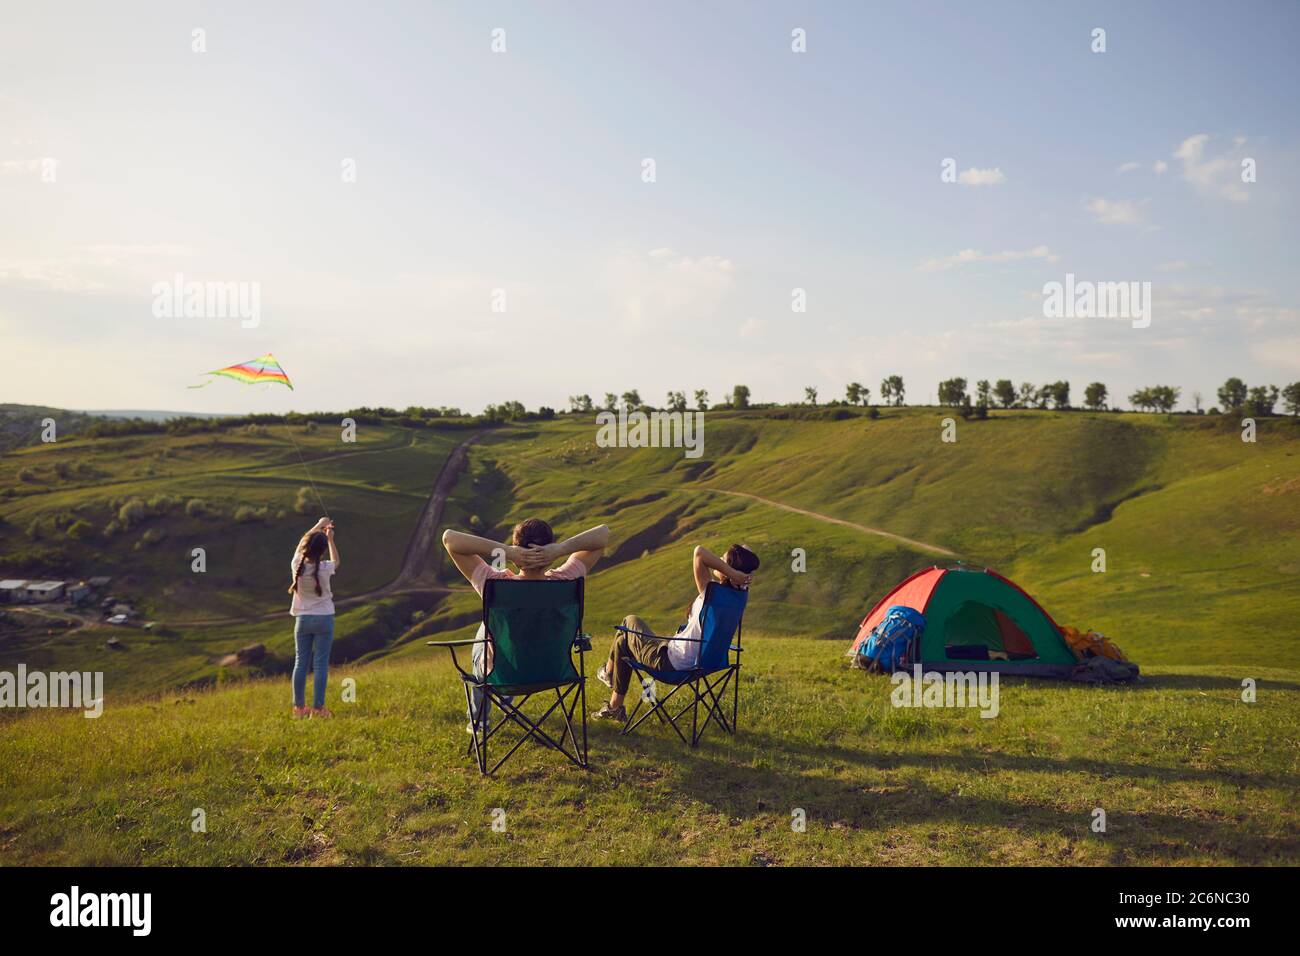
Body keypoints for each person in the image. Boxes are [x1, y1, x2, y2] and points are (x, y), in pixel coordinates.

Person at [442, 518, 609, 732]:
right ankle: (505, 701)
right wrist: (560, 549)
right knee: (498, 627)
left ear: (516, 554)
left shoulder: (493, 584)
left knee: (488, 628)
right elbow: (603, 534)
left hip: (502, 674)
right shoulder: (566, 580)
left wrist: (507, 551)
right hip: (553, 672)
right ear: (549, 552)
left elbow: (450, 538)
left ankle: (480, 720)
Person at [593, 543, 759, 721]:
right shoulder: (738, 598)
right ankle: (614, 706)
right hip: (700, 666)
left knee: (629, 621)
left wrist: (732, 573)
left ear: (731, 572)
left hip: (670, 664)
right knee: (622, 642)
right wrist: (738, 572)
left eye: (723, 561)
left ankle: (609, 674)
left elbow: (699, 552)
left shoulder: (710, 593)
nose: (718, 562)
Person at [289, 517, 339, 718]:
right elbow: (337, 561)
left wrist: (319, 524)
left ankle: (299, 708)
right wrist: (330, 539)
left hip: (302, 620)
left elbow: (302, 541)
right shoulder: (326, 568)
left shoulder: (296, 565)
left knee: (300, 662)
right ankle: (318, 709)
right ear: (322, 550)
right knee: (320, 664)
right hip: (324, 618)